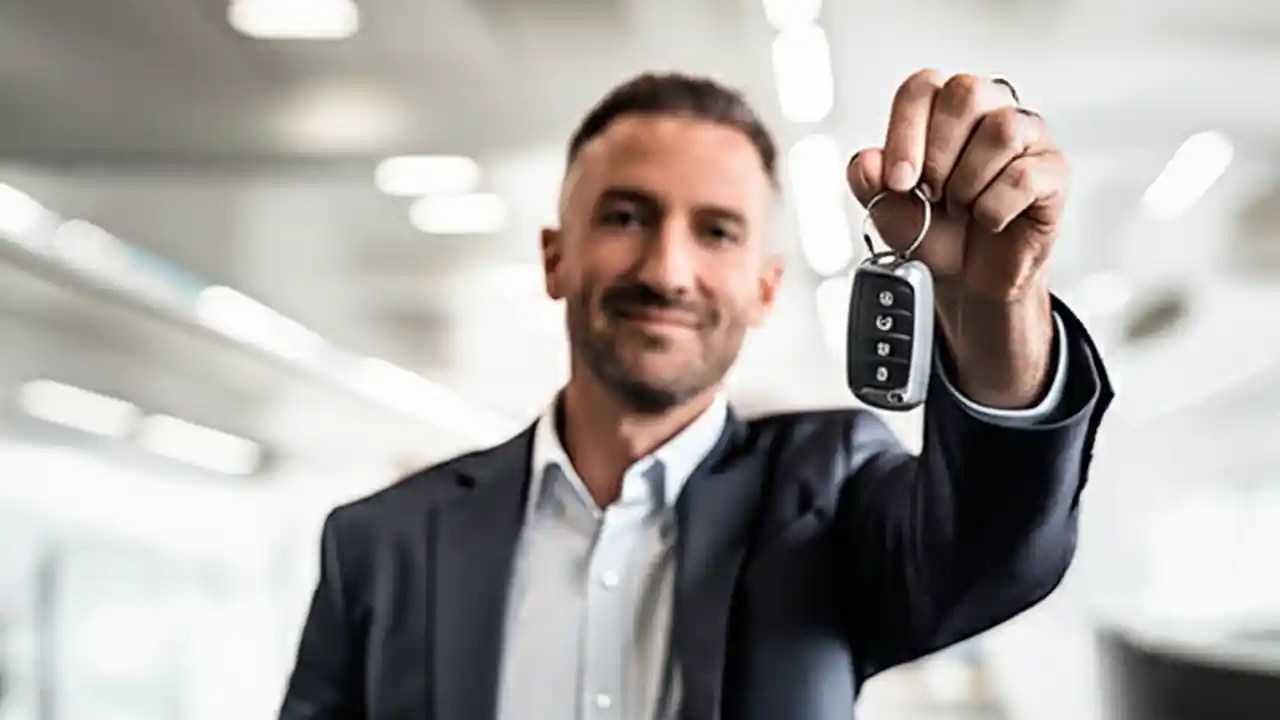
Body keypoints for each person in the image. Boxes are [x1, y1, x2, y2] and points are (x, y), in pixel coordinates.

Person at [278, 69, 1113, 720]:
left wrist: (996, 305)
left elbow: (997, 549)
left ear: (764, 288)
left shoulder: (828, 495)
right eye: (625, 217)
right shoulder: (379, 544)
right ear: (556, 258)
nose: (667, 271)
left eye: (716, 231)